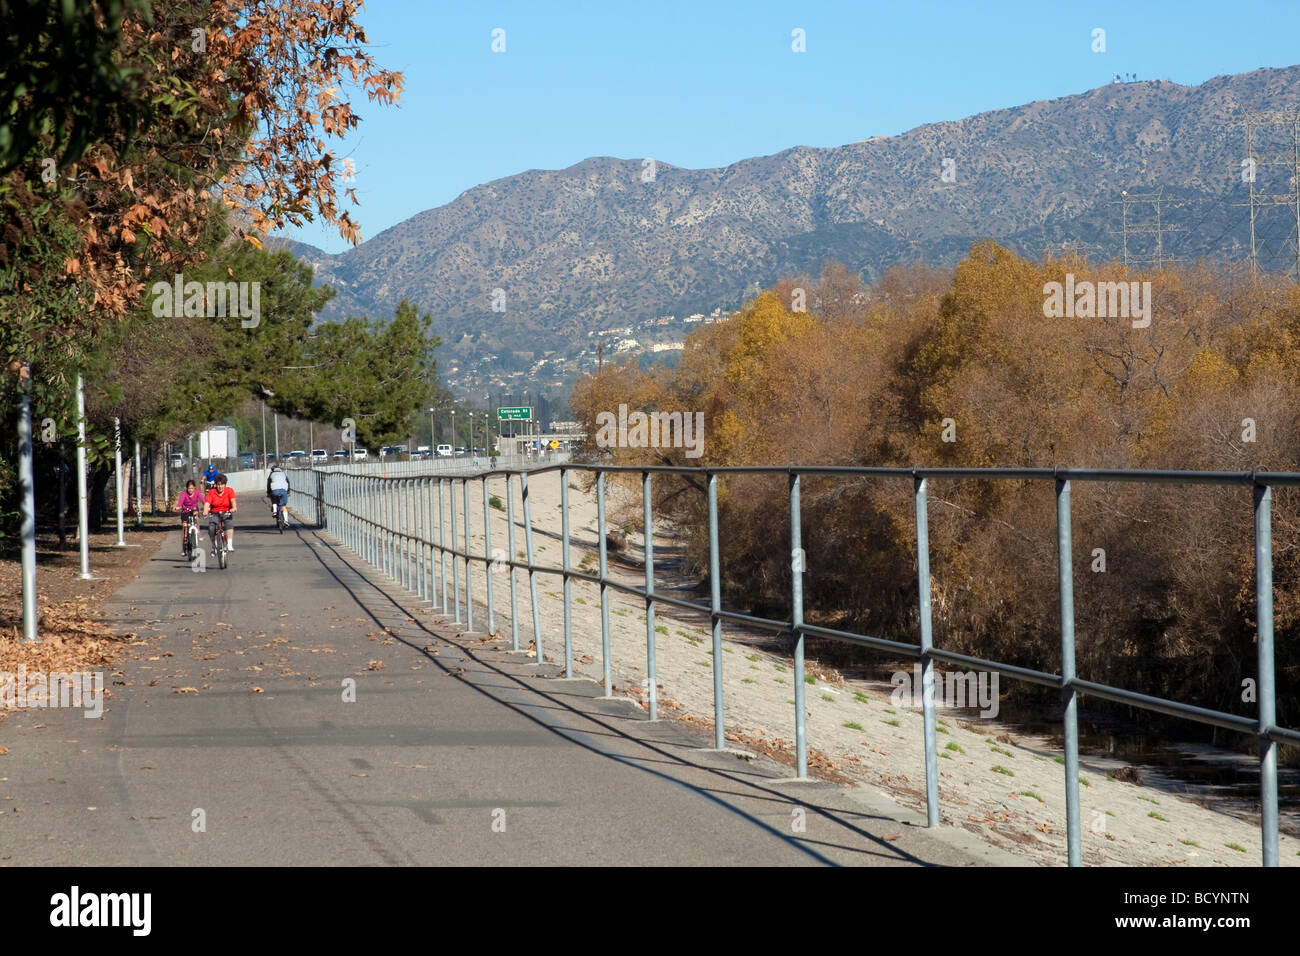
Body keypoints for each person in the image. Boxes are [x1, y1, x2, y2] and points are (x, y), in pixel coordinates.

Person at [203, 473, 237, 555]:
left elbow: (233, 501)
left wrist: (233, 508)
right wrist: (205, 511)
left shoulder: (230, 491)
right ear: (215, 485)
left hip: (226, 512)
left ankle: (229, 544)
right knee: (211, 528)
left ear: (225, 485)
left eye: (222, 484)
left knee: (229, 524)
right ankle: (214, 546)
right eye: (218, 484)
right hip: (215, 512)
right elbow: (207, 503)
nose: (220, 486)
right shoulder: (212, 492)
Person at [176, 479, 204, 555]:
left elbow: (203, 500)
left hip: (194, 510)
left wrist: (206, 505)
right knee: (184, 527)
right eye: (189, 488)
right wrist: (178, 507)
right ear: (186, 488)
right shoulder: (184, 494)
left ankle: (198, 532)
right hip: (185, 511)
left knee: (196, 517)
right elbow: (180, 502)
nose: (190, 490)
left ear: (194, 488)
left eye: (192, 488)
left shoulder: (197, 492)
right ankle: (183, 548)